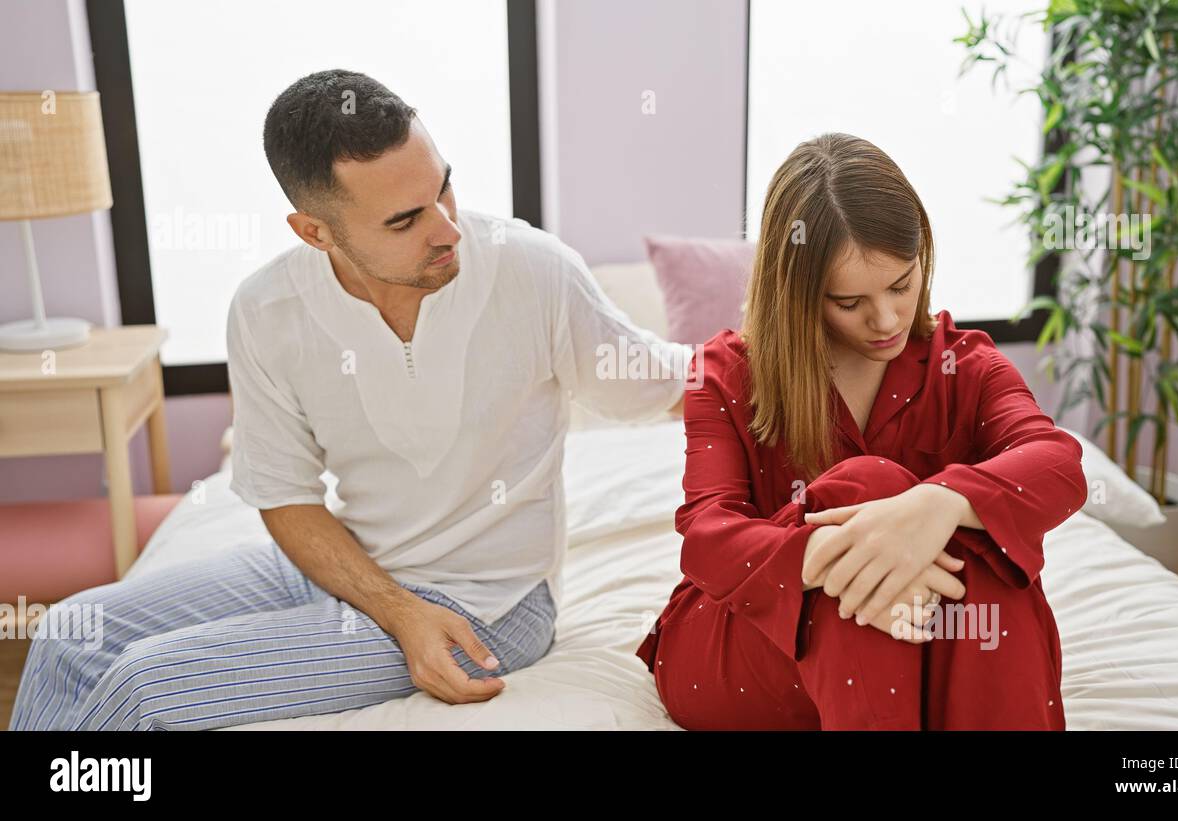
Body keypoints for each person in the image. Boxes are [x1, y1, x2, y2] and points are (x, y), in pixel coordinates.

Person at [10, 69, 689, 731]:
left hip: (489, 605)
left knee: (141, 684)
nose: (448, 228)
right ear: (315, 232)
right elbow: (286, 496)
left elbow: (657, 382)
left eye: (444, 188)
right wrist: (396, 611)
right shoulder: (266, 310)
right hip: (344, 568)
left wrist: (768, 358)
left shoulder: (534, 271)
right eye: (406, 220)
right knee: (68, 634)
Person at [634, 132, 1088, 730]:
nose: (886, 319)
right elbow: (708, 536)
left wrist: (937, 506)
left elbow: (1057, 463)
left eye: (901, 285)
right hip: (744, 640)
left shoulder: (962, 363)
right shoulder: (726, 374)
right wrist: (830, 553)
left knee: (987, 558)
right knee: (867, 489)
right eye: (849, 302)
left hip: (926, 633)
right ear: (796, 294)